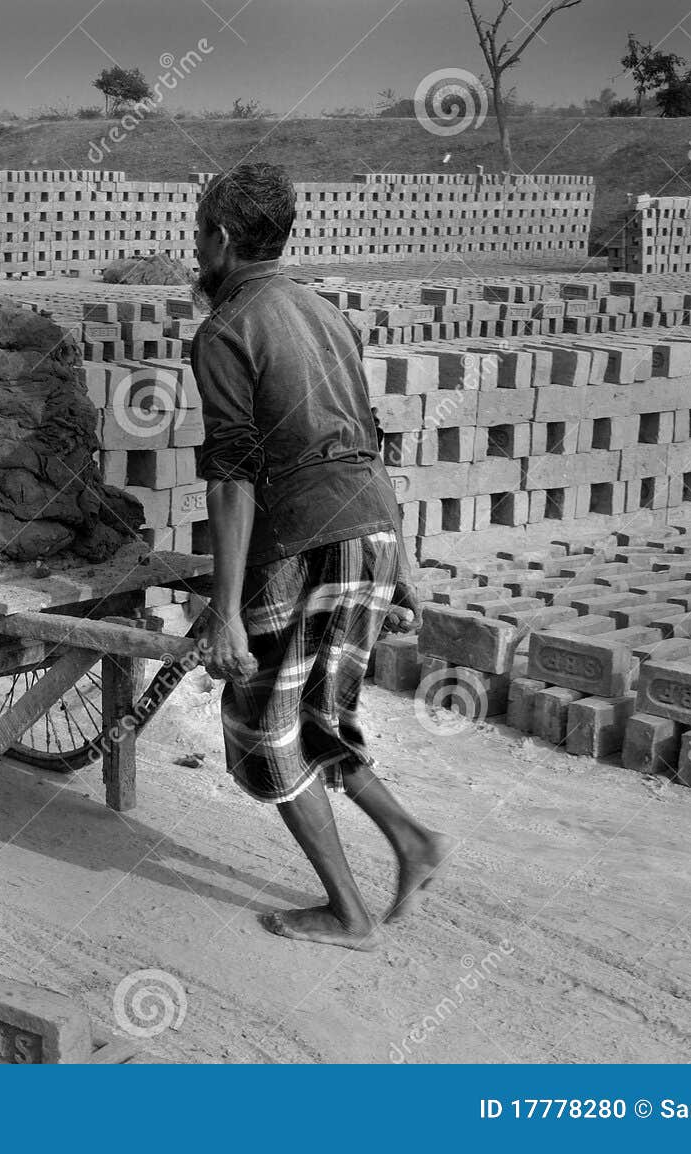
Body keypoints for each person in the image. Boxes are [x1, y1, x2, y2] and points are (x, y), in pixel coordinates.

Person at [191, 162, 450, 952]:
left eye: (200, 233)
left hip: (309, 537)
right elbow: (367, 441)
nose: (196, 249)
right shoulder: (324, 313)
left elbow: (232, 479)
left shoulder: (226, 331)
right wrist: (399, 565)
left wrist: (226, 614)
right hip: (368, 527)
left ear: (222, 239)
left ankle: (349, 914)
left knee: (262, 727)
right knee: (313, 716)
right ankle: (411, 840)